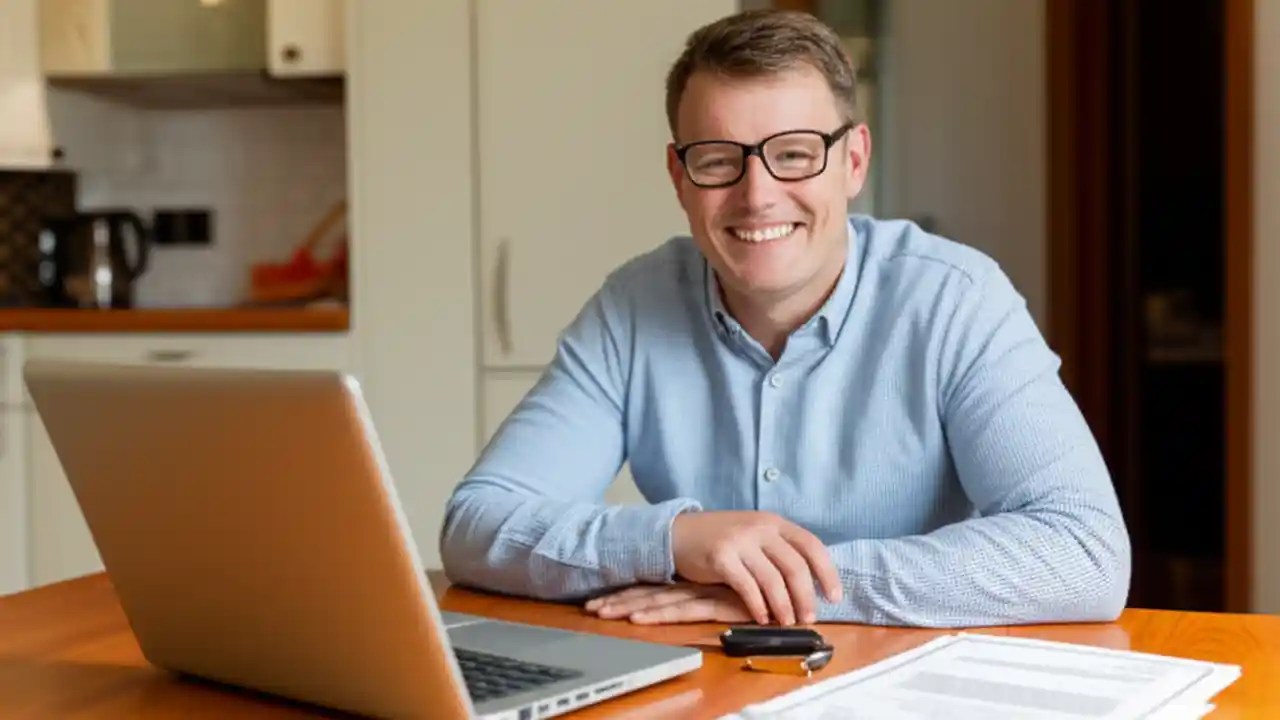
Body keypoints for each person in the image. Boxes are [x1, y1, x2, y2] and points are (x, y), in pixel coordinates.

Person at [440, 9, 1130, 628]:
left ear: (852, 160)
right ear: (680, 179)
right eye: (718, 161)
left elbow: (1083, 551)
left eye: (794, 154)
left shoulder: (957, 299)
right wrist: (677, 541)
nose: (758, 196)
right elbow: (477, 526)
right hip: (709, 686)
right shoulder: (633, 306)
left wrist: (790, 590)